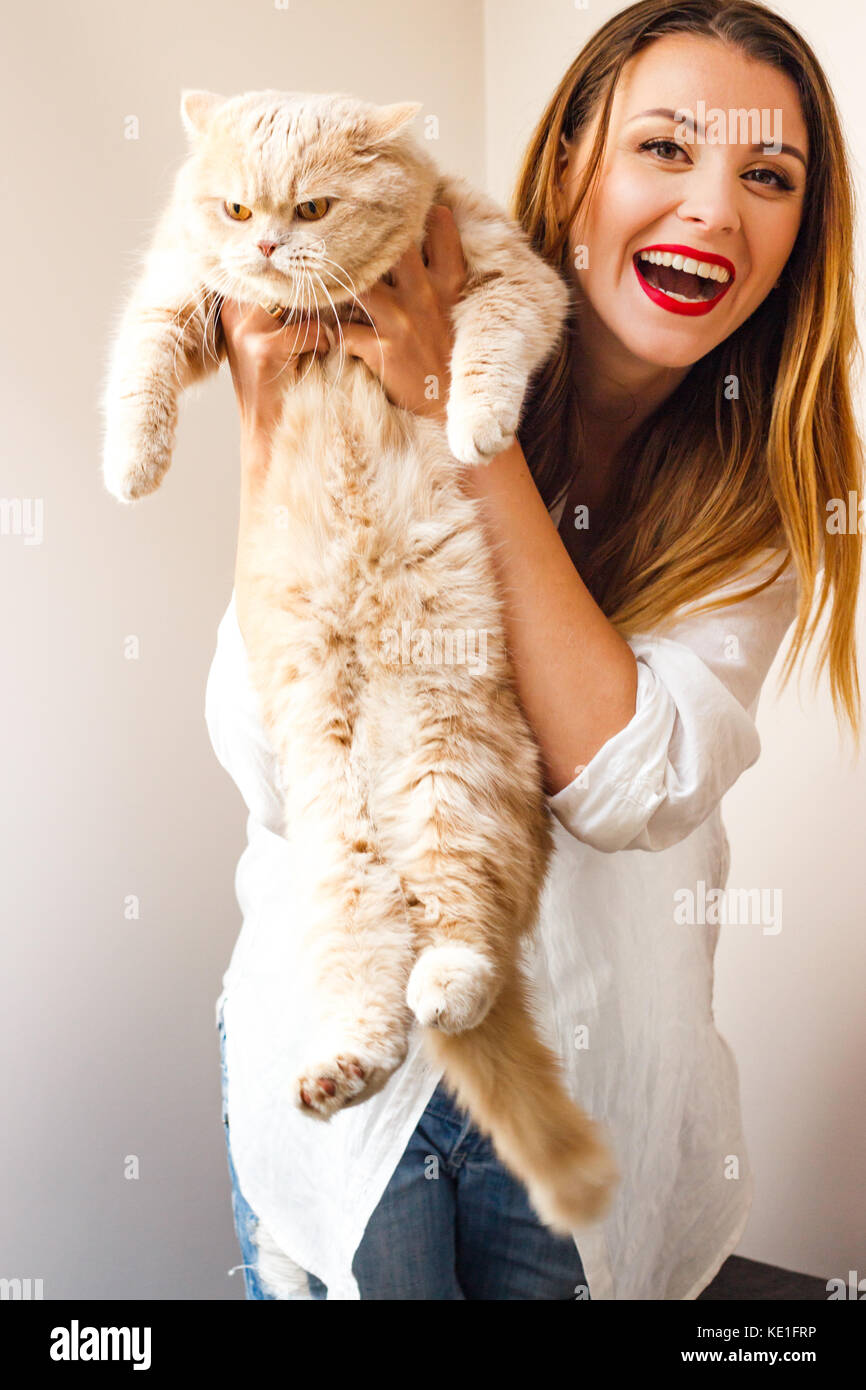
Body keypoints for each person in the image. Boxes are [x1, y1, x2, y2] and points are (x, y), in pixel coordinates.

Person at [207, 0, 862, 1299]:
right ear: (570, 162)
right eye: (663, 150)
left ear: (799, 237)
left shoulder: (767, 503)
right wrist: (272, 439)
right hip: (352, 1074)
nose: (714, 214)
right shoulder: (375, 330)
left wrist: (468, 420)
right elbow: (282, 771)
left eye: (766, 177)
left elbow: (637, 781)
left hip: (589, 1086)